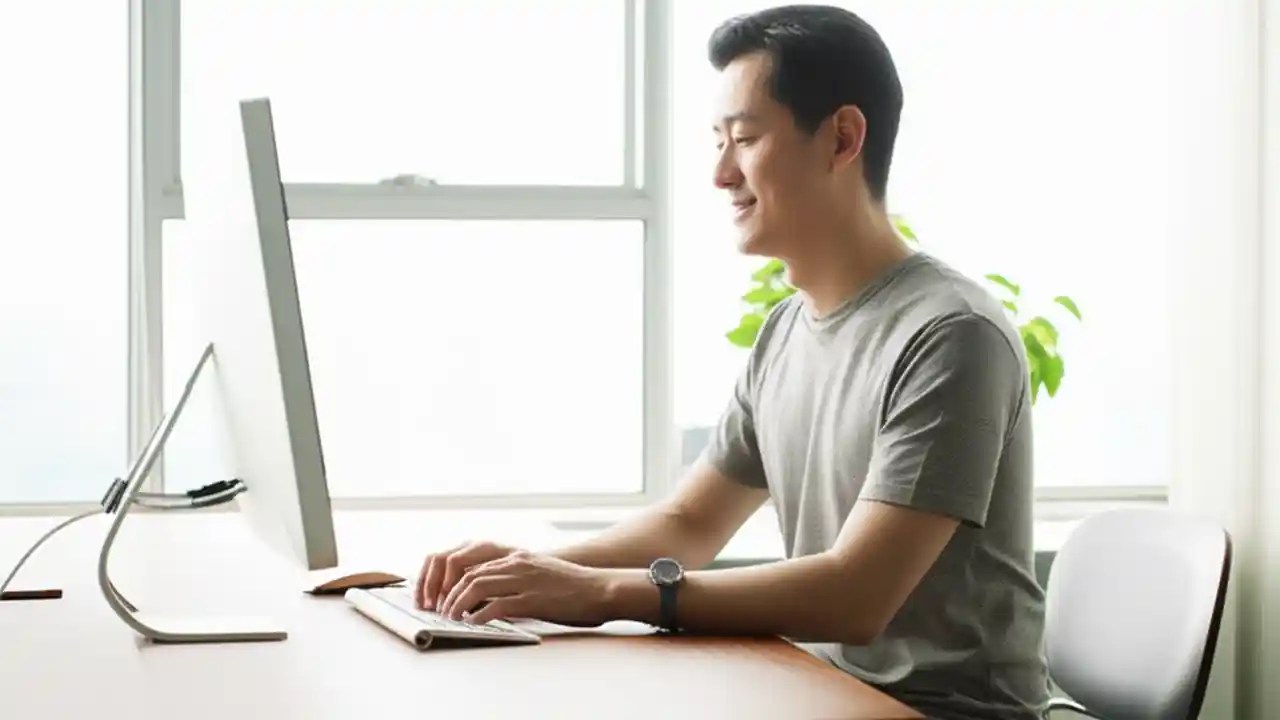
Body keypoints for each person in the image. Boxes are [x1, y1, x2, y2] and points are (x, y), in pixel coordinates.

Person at [414, 5, 1048, 718]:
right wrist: (530, 571)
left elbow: (856, 595)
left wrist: (597, 595)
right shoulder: (785, 330)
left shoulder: (951, 334)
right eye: (718, 141)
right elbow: (689, 523)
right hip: (821, 692)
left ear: (842, 138)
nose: (720, 173)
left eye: (744, 139)